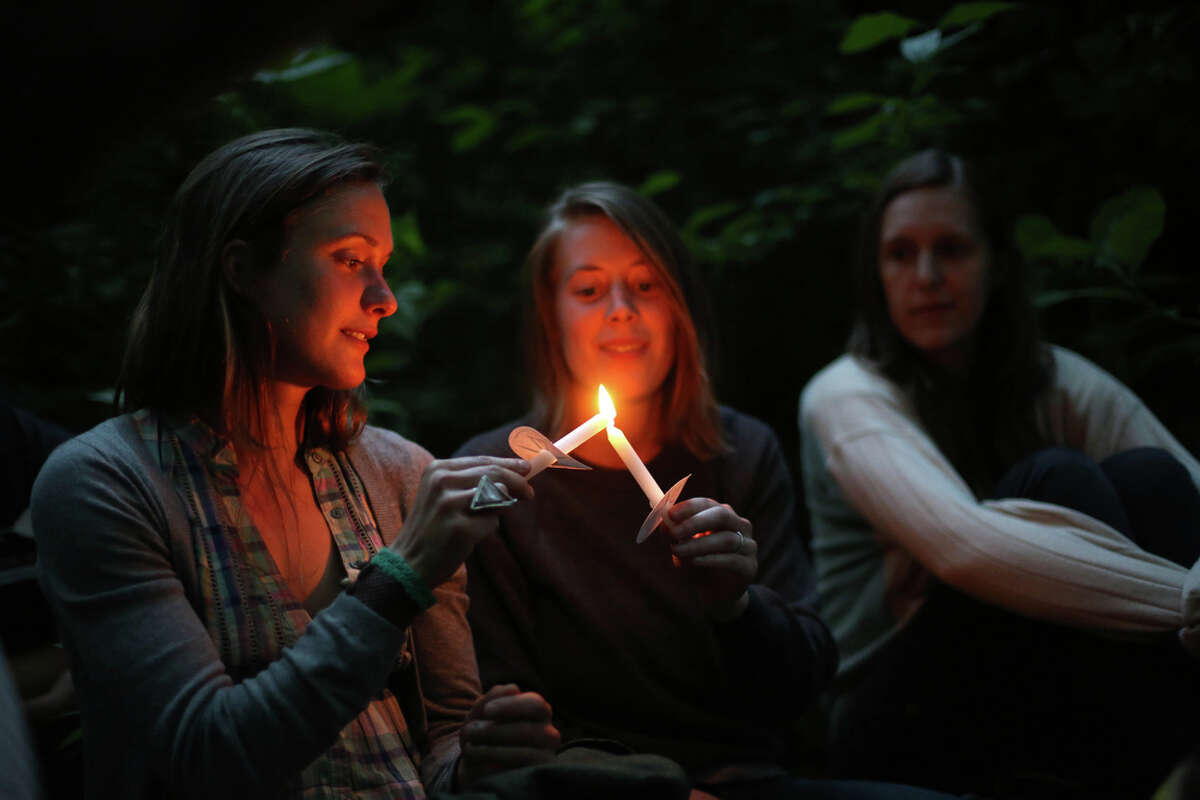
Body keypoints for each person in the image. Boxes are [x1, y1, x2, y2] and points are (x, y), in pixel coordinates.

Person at [30, 128, 563, 799]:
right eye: (349, 260)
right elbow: (206, 754)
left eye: (384, 264)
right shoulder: (106, 486)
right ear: (241, 269)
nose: (384, 298)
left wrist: (483, 755)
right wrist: (397, 578)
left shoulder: (399, 474)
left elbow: (445, 739)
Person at [457, 182, 955, 800]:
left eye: (646, 285)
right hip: (598, 789)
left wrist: (736, 607)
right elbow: (498, 717)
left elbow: (805, 684)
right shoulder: (497, 480)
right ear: (549, 314)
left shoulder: (741, 453)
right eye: (588, 290)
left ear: (680, 306)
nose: (620, 309)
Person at [799, 148, 1200, 798]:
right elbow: (965, 549)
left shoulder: (1052, 379)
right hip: (890, 720)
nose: (926, 275)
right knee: (1058, 484)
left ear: (996, 265)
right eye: (900, 254)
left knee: (1149, 478)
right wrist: (1188, 601)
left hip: (1036, 692)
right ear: (876, 275)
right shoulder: (845, 395)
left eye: (952, 249)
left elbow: (1188, 482)